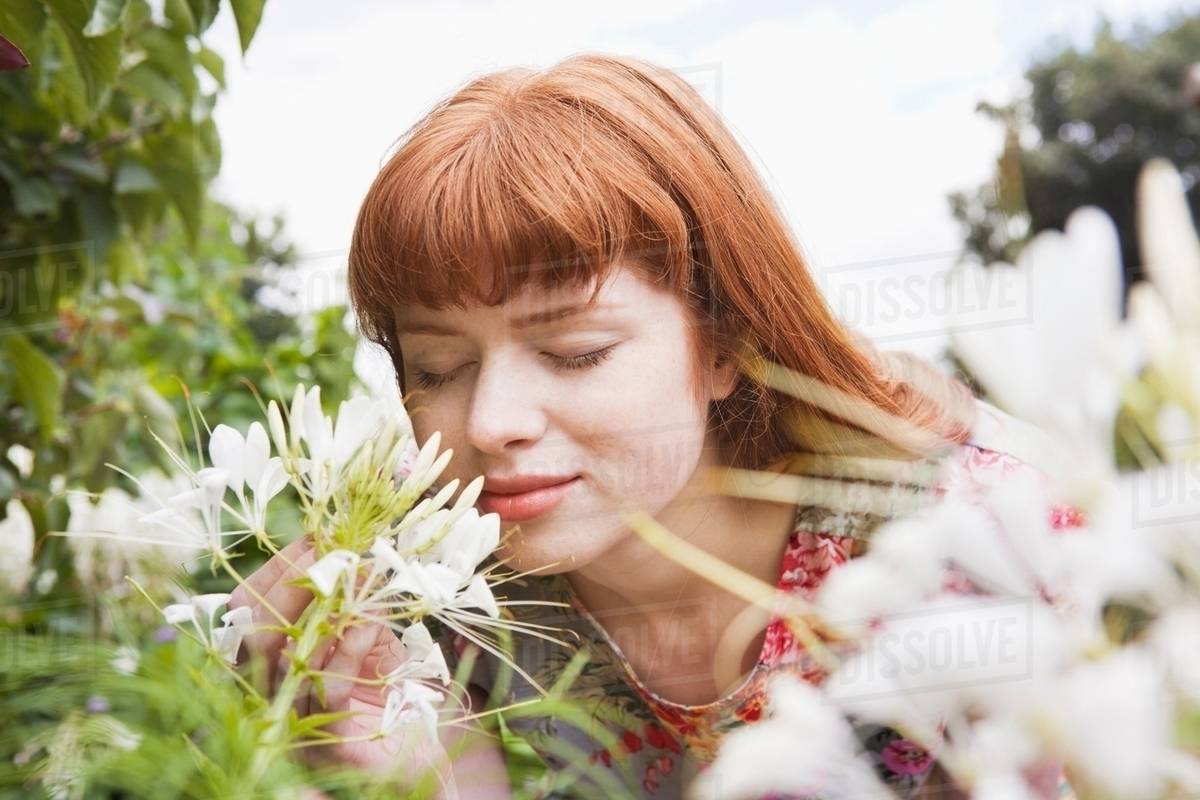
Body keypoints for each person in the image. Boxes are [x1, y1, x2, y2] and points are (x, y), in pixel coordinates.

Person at [230, 53, 1078, 799]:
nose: (492, 423)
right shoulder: (435, 611)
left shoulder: (977, 548)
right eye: (437, 370)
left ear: (725, 342)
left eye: (575, 351)